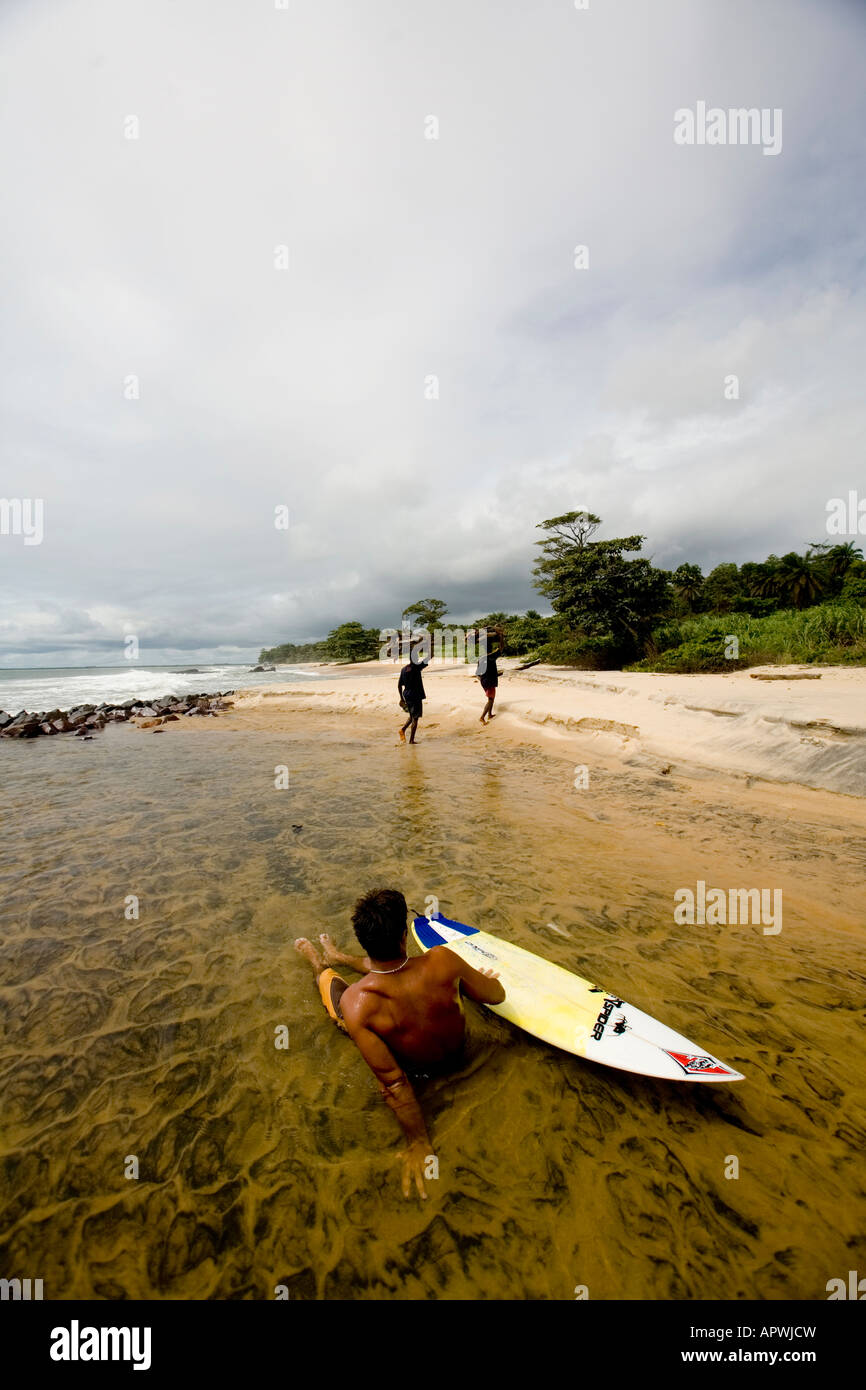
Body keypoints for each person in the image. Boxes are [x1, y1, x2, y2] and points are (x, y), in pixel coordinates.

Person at [294, 887, 505, 1200]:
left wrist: (418, 1142)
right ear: (404, 935)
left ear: (365, 942)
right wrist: (472, 980)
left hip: (417, 1070)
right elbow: (497, 995)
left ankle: (322, 963)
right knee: (392, 968)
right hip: (462, 1056)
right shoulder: (444, 961)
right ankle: (330, 958)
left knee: (333, 995)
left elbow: (393, 1084)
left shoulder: (357, 1004)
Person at [397, 643, 428, 743]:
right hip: (415, 696)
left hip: (407, 695)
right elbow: (429, 657)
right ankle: (411, 740)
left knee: (412, 716)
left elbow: (399, 685)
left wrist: (401, 698)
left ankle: (402, 730)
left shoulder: (404, 669)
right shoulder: (416, 667)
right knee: (415, 718)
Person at [476, 627, 502, 724]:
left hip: (484, 681)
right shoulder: (492, 656)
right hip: (489, 681)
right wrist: (501, 637)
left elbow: (477, 674)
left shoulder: (481, 658)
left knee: (491, 698)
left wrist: (483, 681)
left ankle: (490, 714)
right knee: (491, 699)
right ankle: (482, 717)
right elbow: (501, 648)